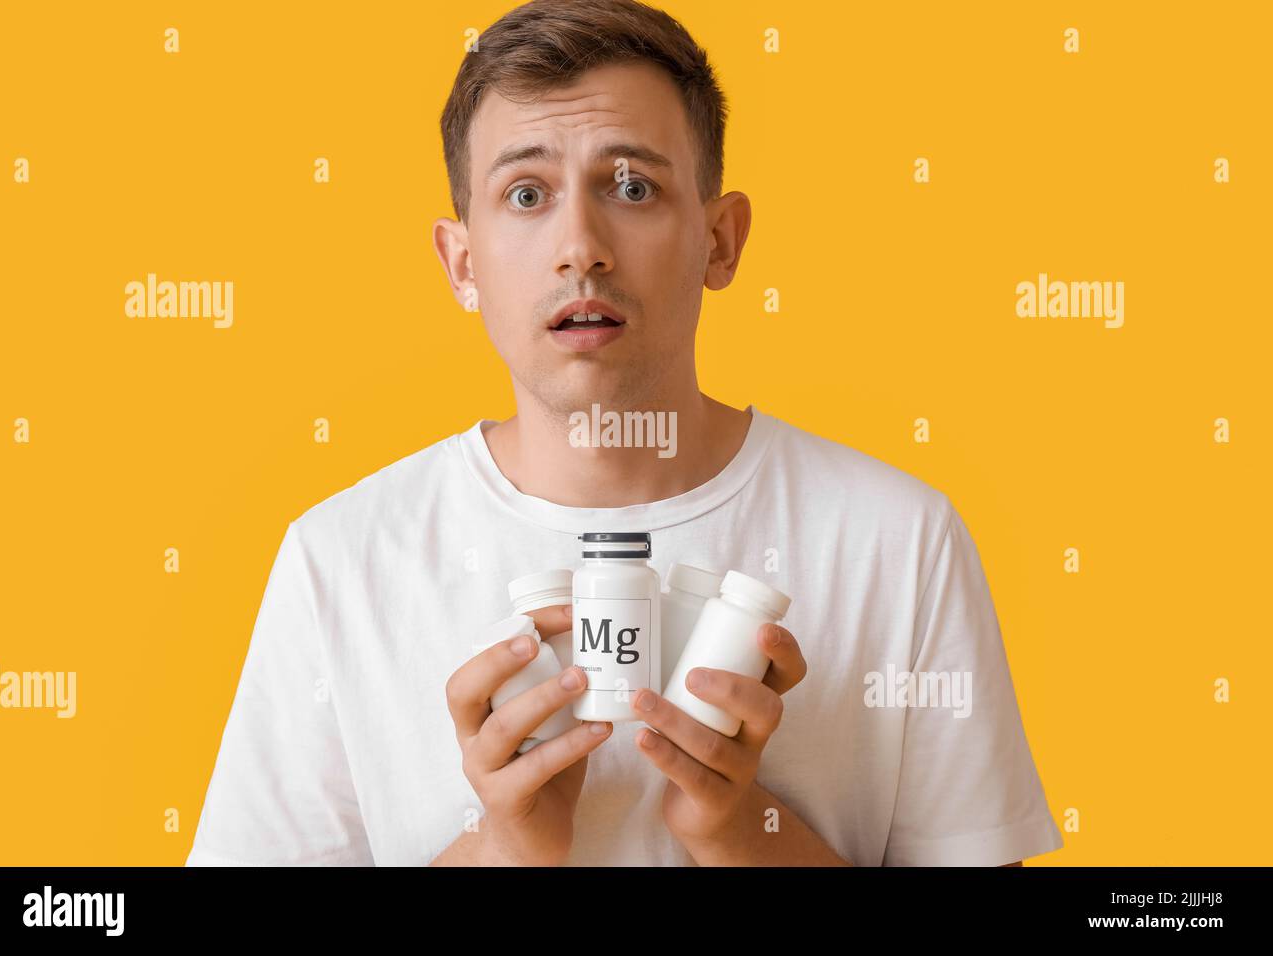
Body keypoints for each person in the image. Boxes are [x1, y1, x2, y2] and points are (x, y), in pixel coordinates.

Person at [185, 0, 1063, 867]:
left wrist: (737, 833)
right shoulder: (340, 558)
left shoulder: (900, 540)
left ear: (720, 241)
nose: (581, 248)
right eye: (526, 194)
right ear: (462, 264)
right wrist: (504, 850)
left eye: (632, 186)